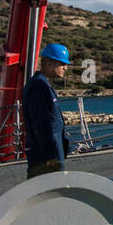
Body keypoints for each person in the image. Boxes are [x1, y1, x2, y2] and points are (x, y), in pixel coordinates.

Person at [23, 42, 72, 179]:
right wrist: (51, 155)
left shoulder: (43, 85)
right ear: (50, 64)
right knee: (49, 194)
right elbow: (41, 123)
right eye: (62, 64)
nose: (65, 68)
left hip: (51, 153)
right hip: (46, 158)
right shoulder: (39, 87)